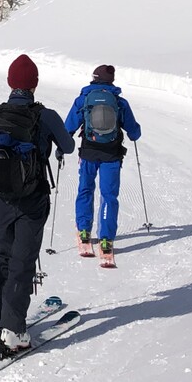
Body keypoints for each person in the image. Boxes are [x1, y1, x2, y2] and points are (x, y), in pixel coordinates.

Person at [0, 55, 74, 356]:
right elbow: (69, 146)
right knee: (22, 262)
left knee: (4, 257)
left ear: (11, 83)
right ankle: (13, 332)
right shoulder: (44, 115)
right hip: (31, 200)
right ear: (34, 84)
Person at [63, 64, 142, 258]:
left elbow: (69, 127)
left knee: (85, 189)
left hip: (89, 152)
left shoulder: (83, 99)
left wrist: (62, 146)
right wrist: (133, 132)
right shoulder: (119, 102)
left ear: (94, 78)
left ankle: (84, 230)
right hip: (112, 154)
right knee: (109, 195)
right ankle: (106, 238)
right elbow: (134, 132)